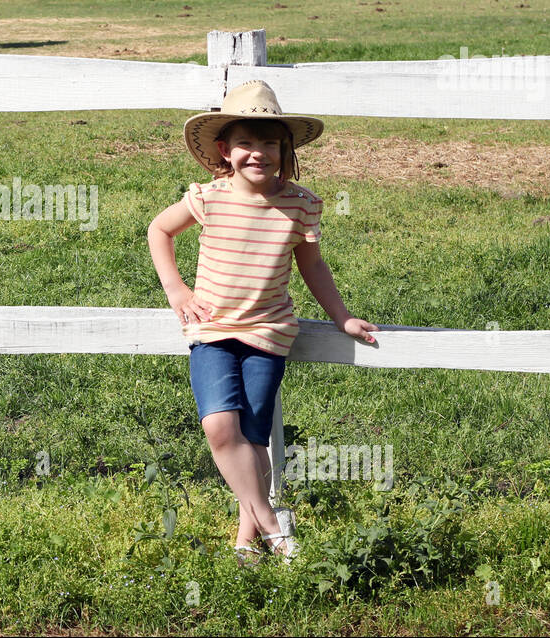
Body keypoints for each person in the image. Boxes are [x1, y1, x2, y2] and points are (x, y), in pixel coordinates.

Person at [146, 81, 378, 564]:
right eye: (246, 144)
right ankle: (275, 528)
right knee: (219, 429)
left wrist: (343, 316)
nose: (258, 154)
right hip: (212, 329)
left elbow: (313, 266)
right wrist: (177, 289)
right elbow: (159, 229)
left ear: (285, 149)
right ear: (224, 151)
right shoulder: (209, 197)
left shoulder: (301, 204)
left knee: (253, 438)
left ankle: (246, 539)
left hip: (269, 333)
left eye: (270, 143)